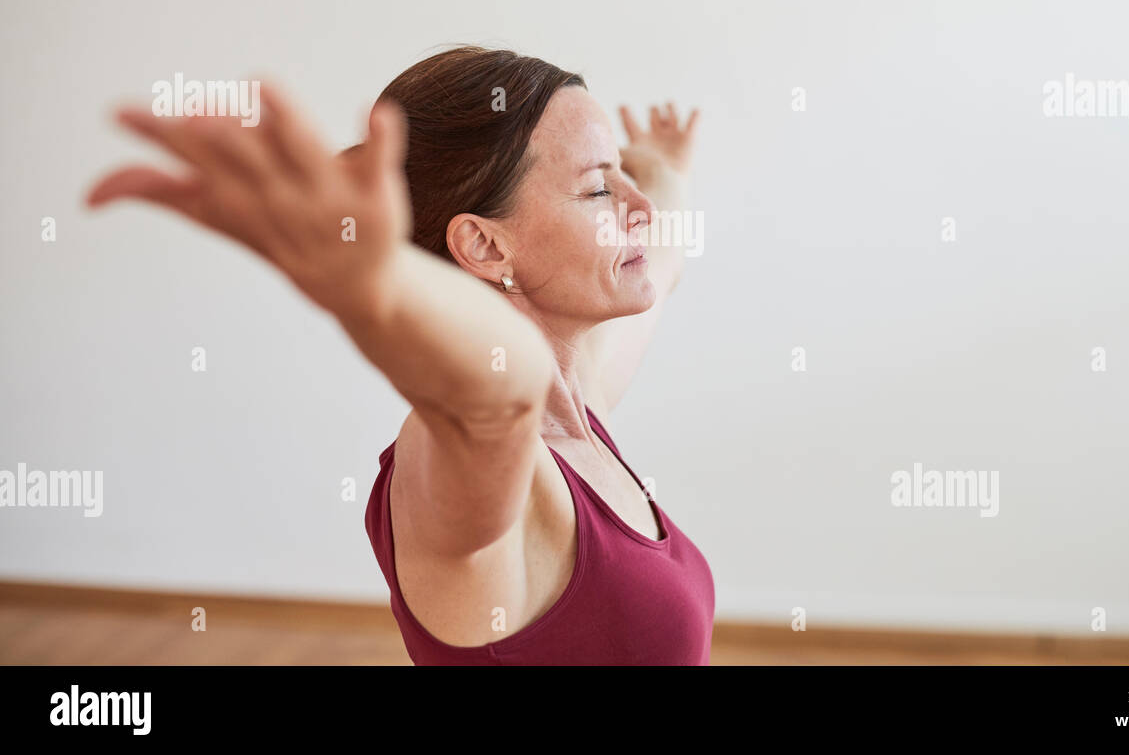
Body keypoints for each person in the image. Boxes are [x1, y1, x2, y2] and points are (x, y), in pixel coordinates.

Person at [86, 45, 714, 664]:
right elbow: (500, 395)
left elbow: (664, 254)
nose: (641, 209)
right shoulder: (456, 454)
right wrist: (380, 281)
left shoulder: (582, 403)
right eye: (599, 188)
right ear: (484, 246)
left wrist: (663, 168)